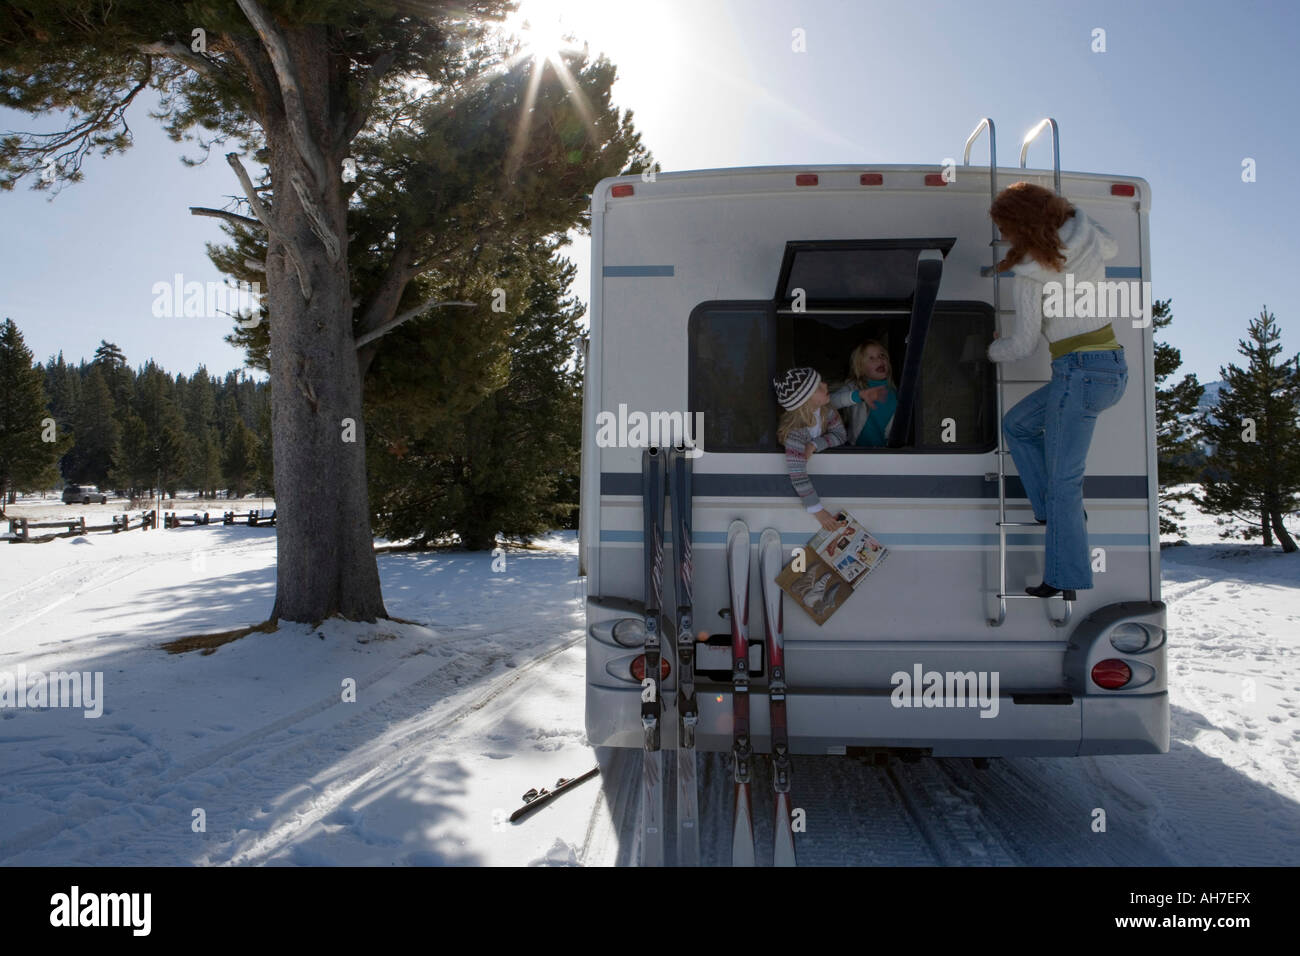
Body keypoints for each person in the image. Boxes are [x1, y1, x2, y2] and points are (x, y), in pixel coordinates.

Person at [987, 181, 1128, 598]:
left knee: (1066, 482)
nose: (1003, 237)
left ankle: (1064, 577)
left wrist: (990, 348)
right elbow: (1113, 245)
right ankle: (1053, 515)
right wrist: (1070, 214)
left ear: (1019, 226)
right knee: (1017, 425)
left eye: (1005, 228)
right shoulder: (1090, 238)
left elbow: (1022, 346)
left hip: (1078, 373)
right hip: (1111, 367)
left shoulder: (1031, 274)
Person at [773, 367, 847, 531]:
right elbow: (798, 474)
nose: (825, 385)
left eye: (822, 382)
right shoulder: (795, 432)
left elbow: (841, 435)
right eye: (819, 388)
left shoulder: (827, 412)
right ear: (805, 401)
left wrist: (814, 445)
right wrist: (818, 511)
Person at [831, 339, 898, 447]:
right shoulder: (854, 386)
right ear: (860, 368)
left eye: (882, 355)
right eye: (871, 358)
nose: (879, 360)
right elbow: (830, 402)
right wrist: (858, 395)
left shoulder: (894, 392)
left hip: (884, 453)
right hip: (855, 451)